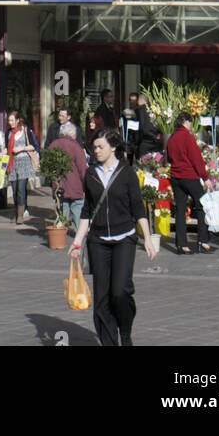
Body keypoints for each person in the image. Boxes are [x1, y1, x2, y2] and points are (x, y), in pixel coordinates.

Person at [70, 128, 157, 347]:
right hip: (98, 241)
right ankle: (109, 342)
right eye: (94, 147)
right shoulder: (91, 174)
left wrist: (147, 237)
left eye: (100, 147)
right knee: (101, 300)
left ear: (113, 147)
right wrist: (77, 242)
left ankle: (125, 332)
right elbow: (87, 211)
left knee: (119, 292)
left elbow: (138, 208)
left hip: (124, 239)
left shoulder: (126, 172)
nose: (96, 151)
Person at [166, 111, 214, 254]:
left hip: (175, 177)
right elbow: (196, 159)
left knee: (180, 210)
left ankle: (181, 245)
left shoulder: (172, 138)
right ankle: (202, 241)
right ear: (186, 122)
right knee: (201, 206)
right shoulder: (188, 137)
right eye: (190, 122)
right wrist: (205, 177)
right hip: (189, 176)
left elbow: (168, 158)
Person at [6, 110, 37, 224]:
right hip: (12, 163)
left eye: (12, 120)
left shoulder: (25, 131)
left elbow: (33, 146)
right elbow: (6, 147)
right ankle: (16, 213)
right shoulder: (9, 133)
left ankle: (20, 215)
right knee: (14, 190)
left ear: (18, 120)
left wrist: (21, 148)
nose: (10, 123)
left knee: (20, 189)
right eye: (9, 120)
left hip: (24, 162)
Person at [56, 123, 87, 232]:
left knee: (62, 207)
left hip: (59, 184)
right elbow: (82, 167)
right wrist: (86, 184)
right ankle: (79, 232)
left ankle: (61, 231)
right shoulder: (76, 147)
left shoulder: (54, 145)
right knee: (77, 208)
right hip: (75, 186)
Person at [135, 93, 164, 158]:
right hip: (157, 142)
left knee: (143, 165)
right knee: (157, 163)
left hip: (145, 142)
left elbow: (140, 128)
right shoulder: (155, 109)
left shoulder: (139, 111)